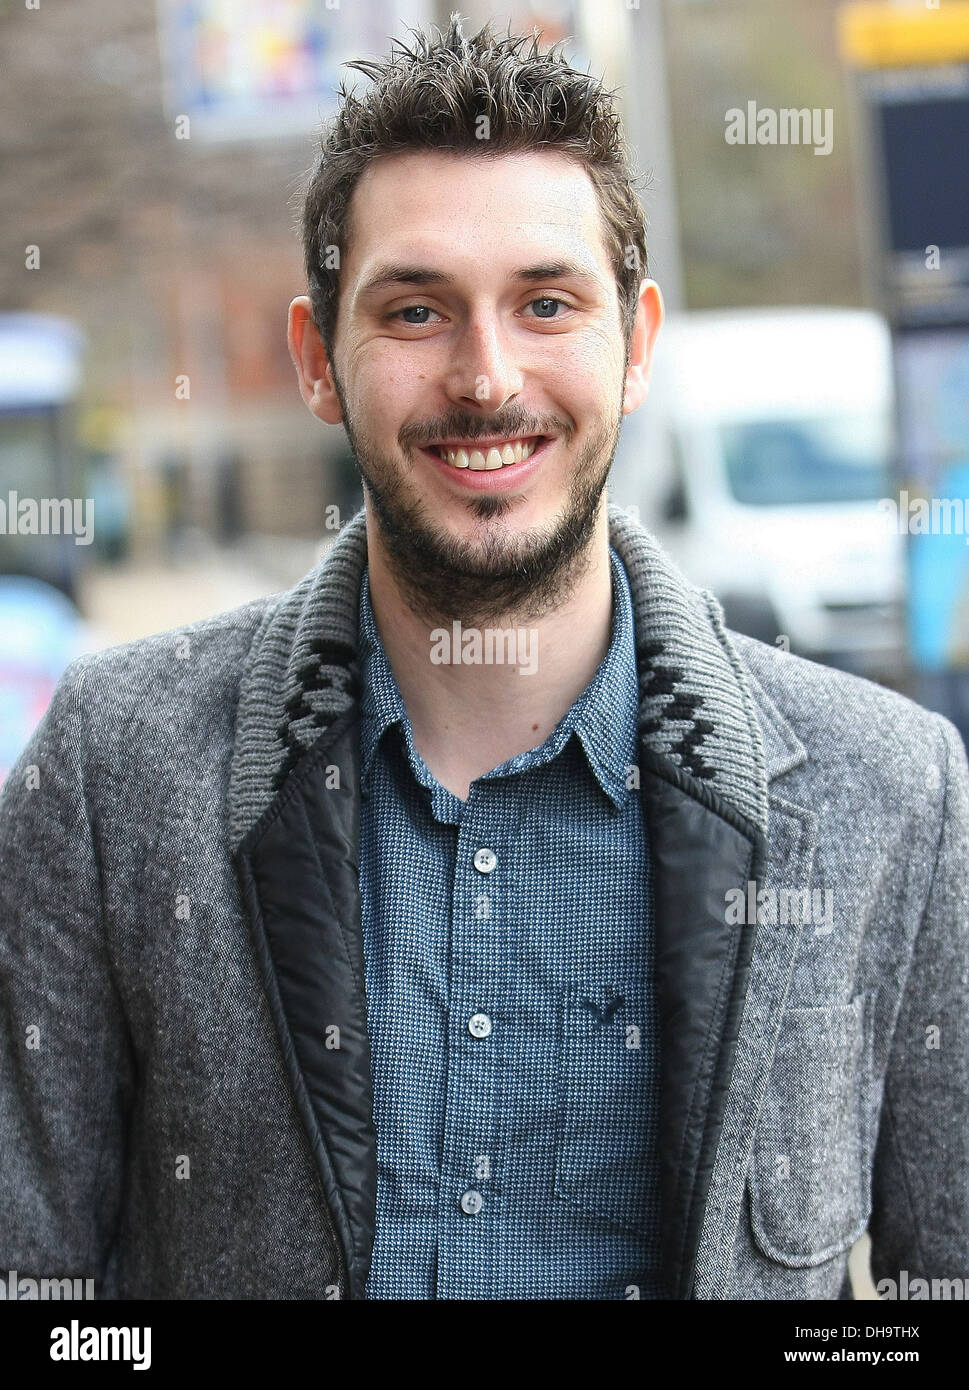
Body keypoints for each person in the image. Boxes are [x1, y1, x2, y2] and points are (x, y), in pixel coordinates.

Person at [0, 14, 966, 1302]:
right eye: (415, 310)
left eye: (547, 302)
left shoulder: (894, 792)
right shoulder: (113, 768)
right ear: (315, 360)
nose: (486, 376)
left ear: (635, 344)